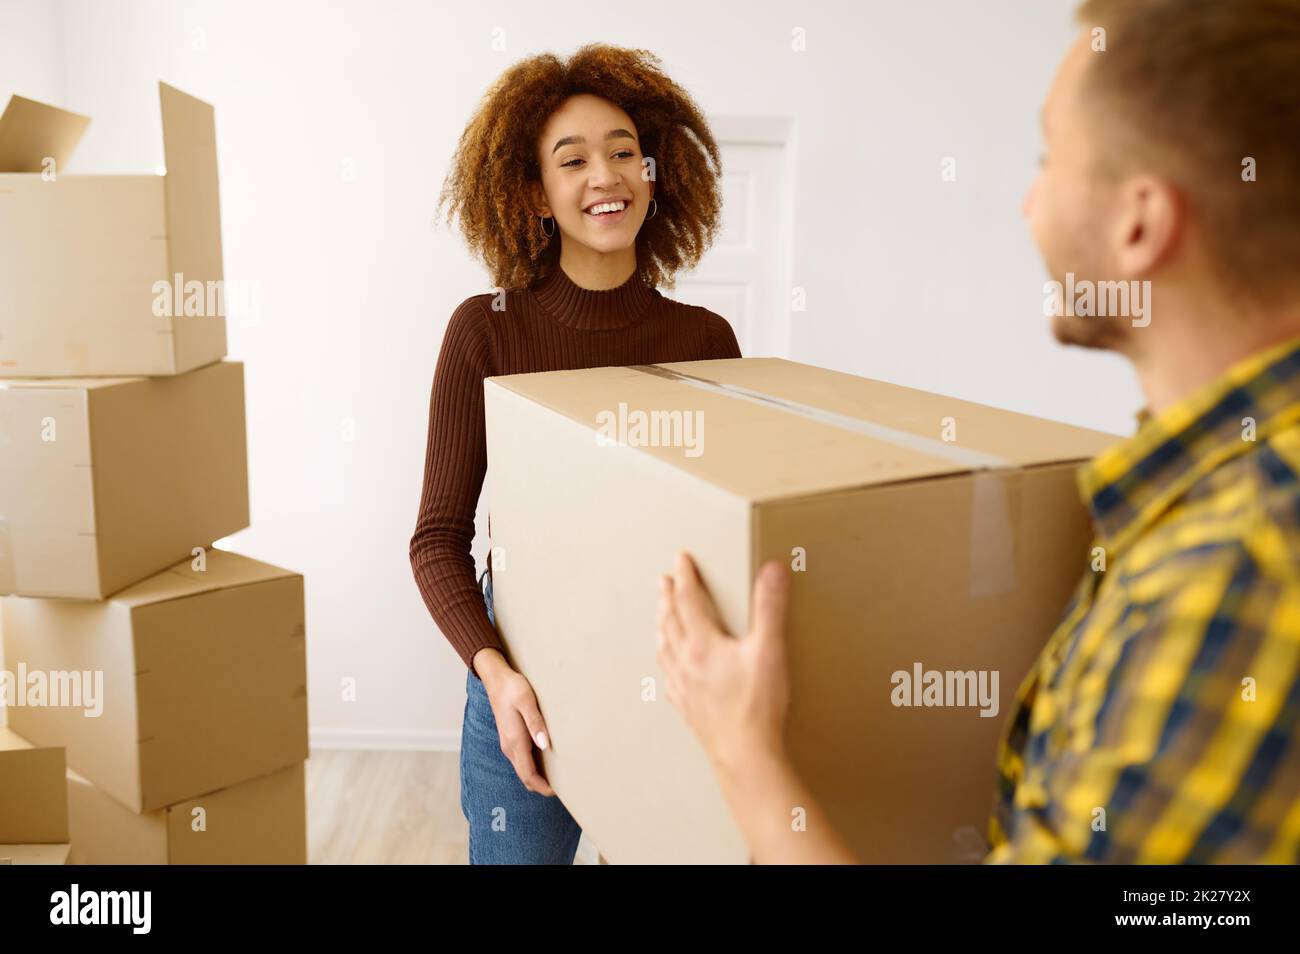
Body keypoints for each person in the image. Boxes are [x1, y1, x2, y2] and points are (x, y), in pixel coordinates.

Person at [657, 0, 1300, 864]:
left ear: (1139, 222)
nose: (1030, 201)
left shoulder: (1230, 573)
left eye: (1050, 159)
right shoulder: (1210, 493)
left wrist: (742, 751)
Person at [410, 44, 742, 864]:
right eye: (575, 159)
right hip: (524, 683)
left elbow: (728, 529)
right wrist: (497, 674)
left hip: (662, 675)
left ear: (656, 174)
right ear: (535, 194)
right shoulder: (485, 329)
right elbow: (437, 540)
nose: (608, 175)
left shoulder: (705, 341)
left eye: (625, 152)